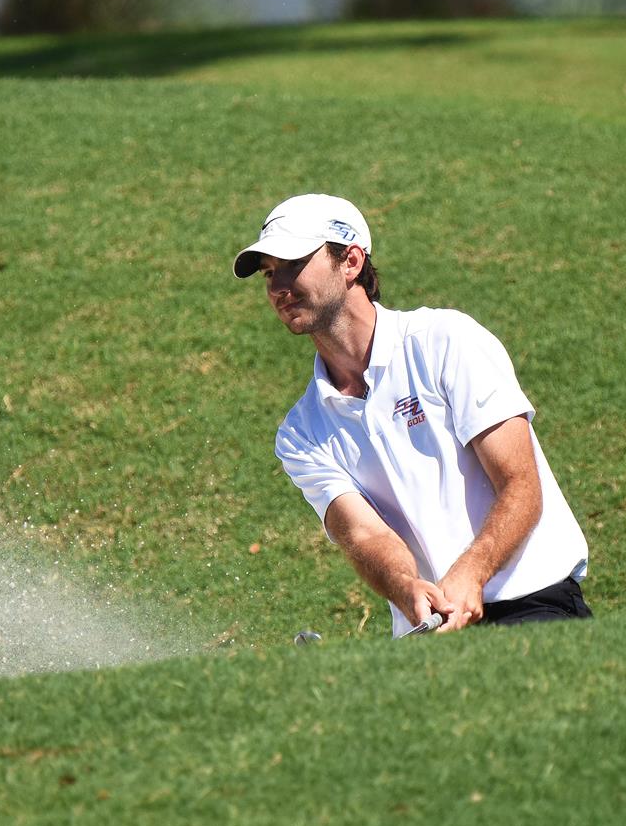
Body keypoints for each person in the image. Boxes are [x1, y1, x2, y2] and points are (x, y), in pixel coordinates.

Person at [233, 193, 591, 637]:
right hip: (431, 630)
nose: (276, 287)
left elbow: (521, 483)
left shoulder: (446, 342)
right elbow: (364, 535)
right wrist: (407, 588)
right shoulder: (300, 433)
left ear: (351, 261)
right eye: (269, 273)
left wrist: (472, 573)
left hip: (535, 605)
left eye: (293, 264)